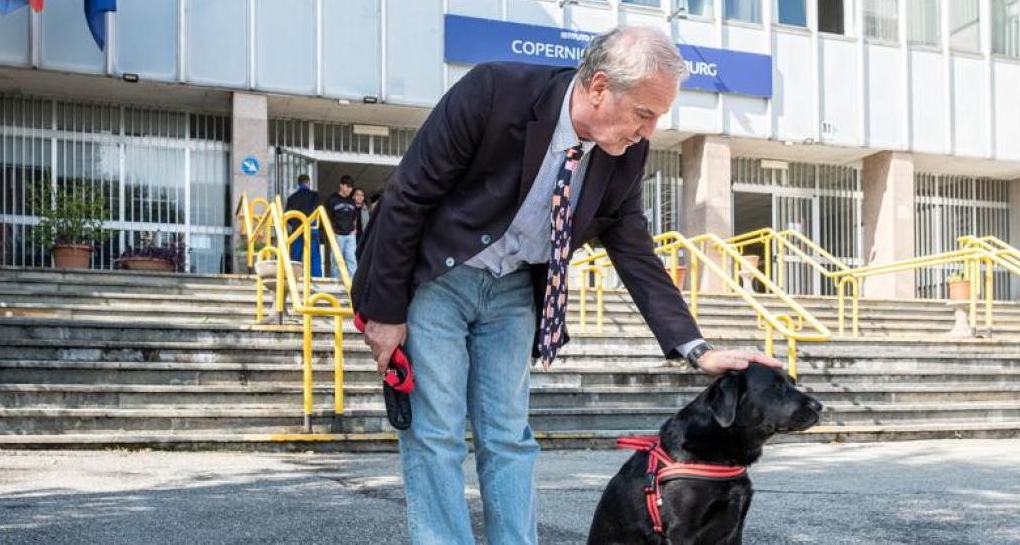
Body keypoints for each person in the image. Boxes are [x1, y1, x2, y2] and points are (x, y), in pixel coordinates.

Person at [351, 27, 779, 545]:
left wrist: (698, 349)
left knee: (509, 439)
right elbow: (407, 197)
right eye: (644, 113)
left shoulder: (626, 153)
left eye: (658, 118)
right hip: (440, 276)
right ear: (599, 87)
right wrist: (386, 312)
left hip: (513, 290)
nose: (648, 131)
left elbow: (632, 246)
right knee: (436, 433)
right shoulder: (493, 92)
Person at [283, 174, 321, 277]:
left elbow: (287, 215)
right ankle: (316, 277)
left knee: (296, 255)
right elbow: (318, 210)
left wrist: (295, 223)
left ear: (298, 183)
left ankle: (295, 276)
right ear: (308, 182)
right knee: (314, 255)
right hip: (311, 227)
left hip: (297, 229)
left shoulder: (292, 198)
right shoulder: (314, 195)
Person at [325, 175, 358, 279]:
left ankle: (353, 283)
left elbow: (354, 217)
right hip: (337, 234)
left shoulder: (352, 201)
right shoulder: (332, 199)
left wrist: (354, 229)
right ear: (341, 186)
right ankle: (336, 281)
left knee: (351, 259)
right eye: (347, 186)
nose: (349, 189)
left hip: (350, 235)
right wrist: (332, 232)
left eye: (351, 187)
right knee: (336, 260)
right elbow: (327, 217)